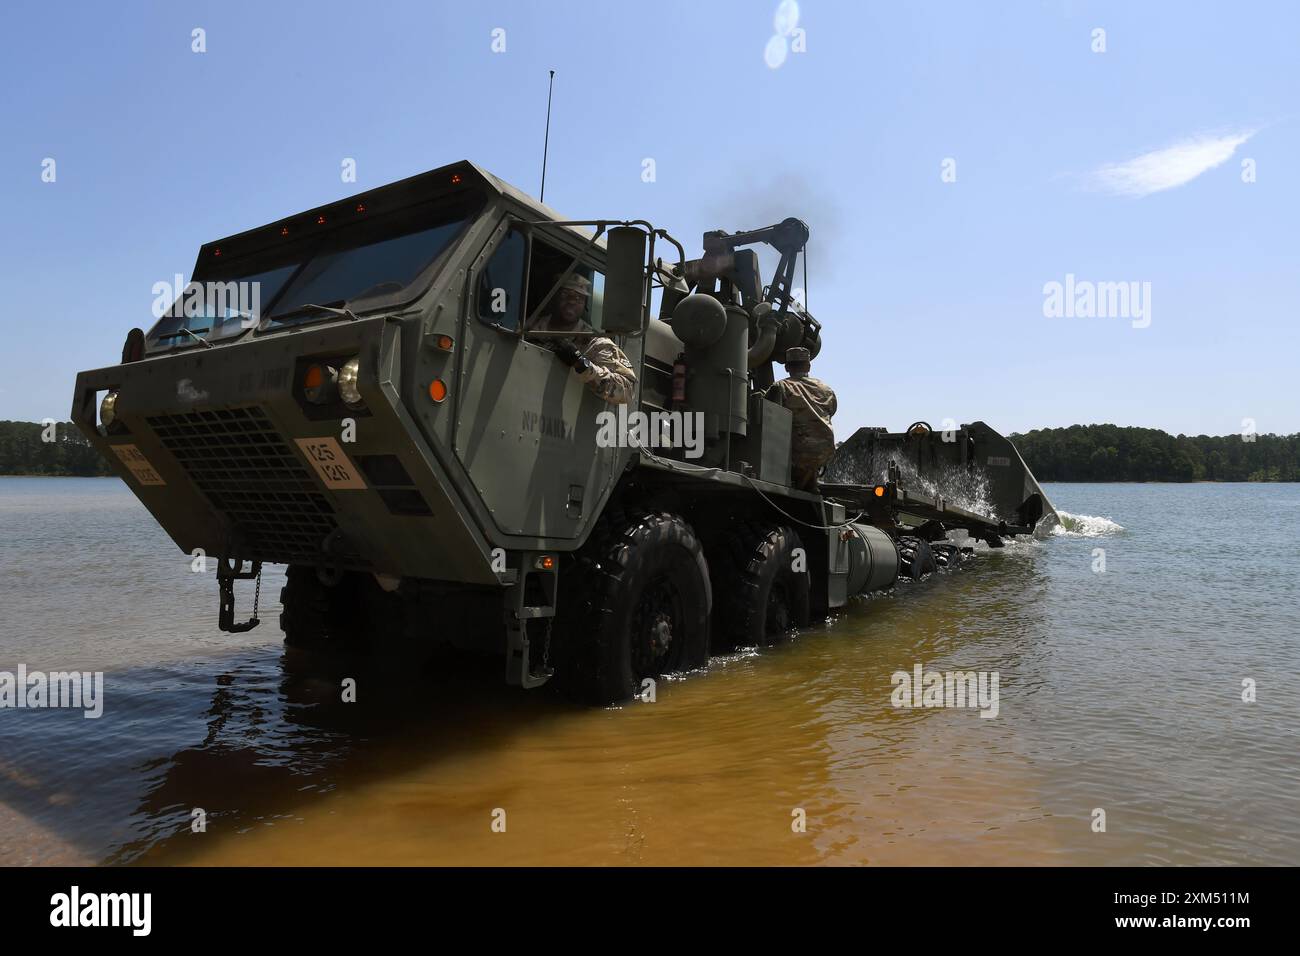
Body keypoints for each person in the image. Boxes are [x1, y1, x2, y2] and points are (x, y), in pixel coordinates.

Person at [525, 273, 636, 405]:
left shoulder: (594, 343)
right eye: (566, 294)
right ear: (554, 297)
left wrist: (582, 365)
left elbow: (628, 391)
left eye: (579, 297)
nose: (572, 301)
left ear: (584, 305)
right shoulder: (529, 329)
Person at [766, 346, 837, 491]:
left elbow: (769, 415)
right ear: (808, 365)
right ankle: (810, 483)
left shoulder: (781, 387)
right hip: (824, 453)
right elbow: (832, 411)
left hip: (798, 455)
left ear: (786, 367)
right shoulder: (826, 390)